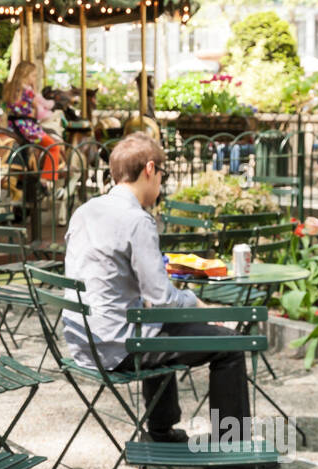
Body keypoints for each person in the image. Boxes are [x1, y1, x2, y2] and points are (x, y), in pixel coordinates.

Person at [63, 132, 249, 442]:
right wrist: (201, 308)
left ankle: (162, 429)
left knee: (157, 324)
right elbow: (162, 299)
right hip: (120, 346)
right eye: (162, 174)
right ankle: (231, 448)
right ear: (150, 169)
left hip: (85, 341)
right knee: (231, 345)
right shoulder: (137, 220)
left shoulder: (84, 212)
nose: (161, 182)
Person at [3, 60, 61, 185]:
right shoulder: (28, 91)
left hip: (12, 125)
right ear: (26, 75)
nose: (34, 78)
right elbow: (38, 110)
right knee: (54, 146)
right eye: (33, 76)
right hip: (27, 127)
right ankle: (45, 179)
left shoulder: (9, 88)